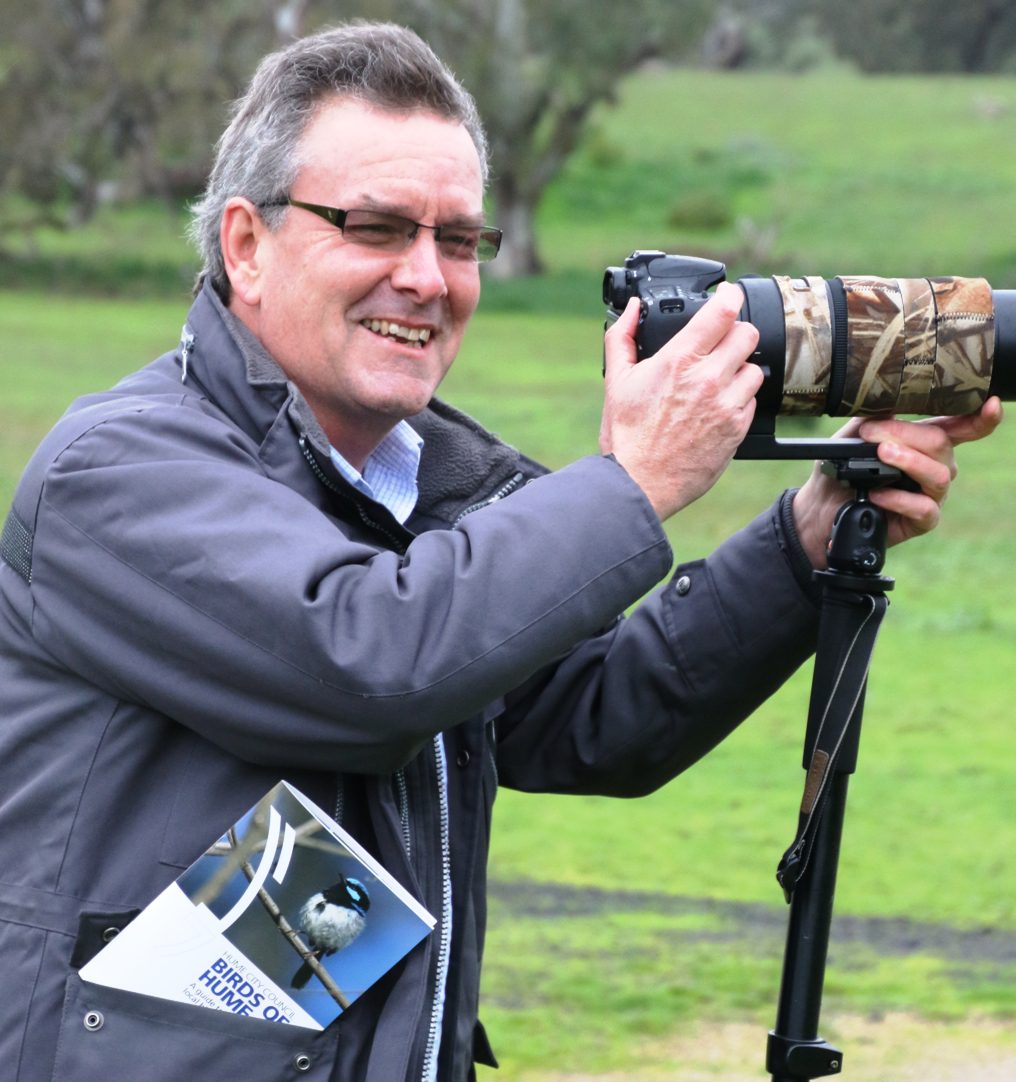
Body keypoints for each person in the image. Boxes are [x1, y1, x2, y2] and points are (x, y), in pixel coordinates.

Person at [0, 21, 1000, 1082]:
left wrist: (807, 535)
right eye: (377, 227)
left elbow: (598, 714)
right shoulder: (117, 469)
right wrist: (634, 482)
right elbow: (372, 659)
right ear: (246, 244)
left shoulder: (426, 482)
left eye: (458, 241)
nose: (426, 278)